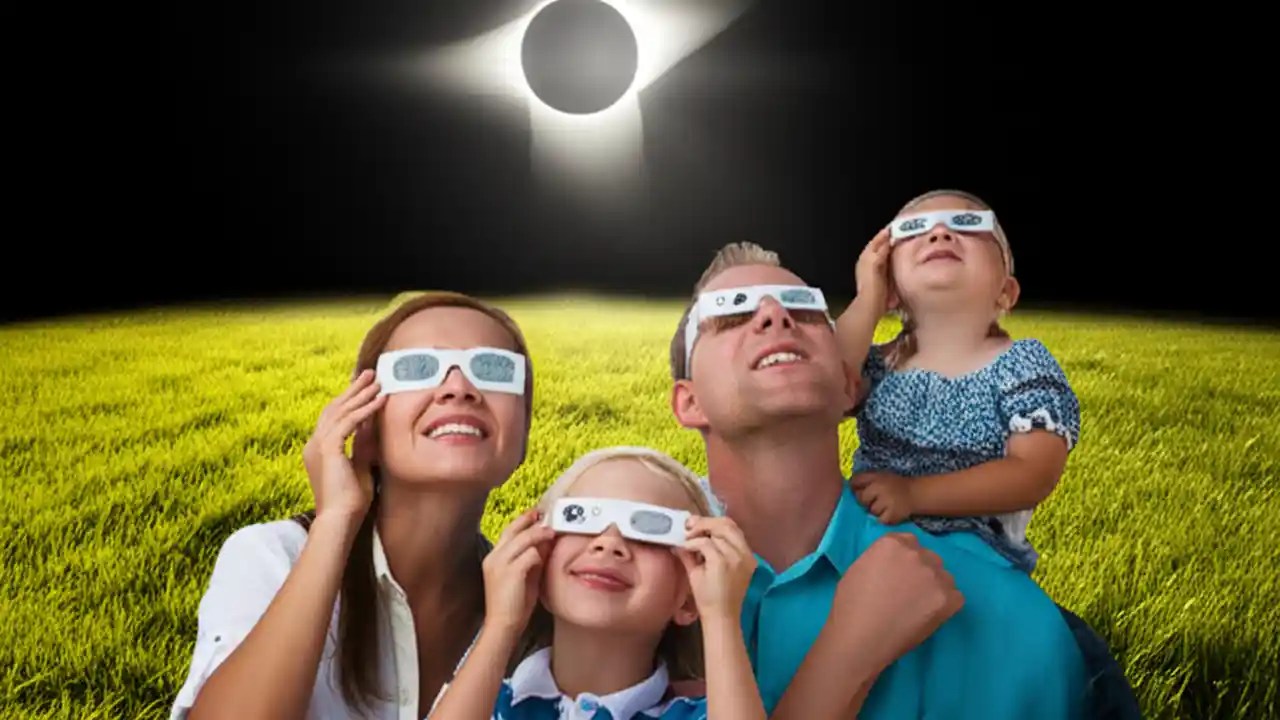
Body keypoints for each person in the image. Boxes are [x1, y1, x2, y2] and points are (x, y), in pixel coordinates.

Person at [666, 238, 1137, 719]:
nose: (775, 316)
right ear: (689, 401)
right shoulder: (638, 579)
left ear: (849, 385)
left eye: (805, 310)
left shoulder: (999, 610)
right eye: (729, 315)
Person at [170, 290, 536, 720]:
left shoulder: (531, 604)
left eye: (493, 369)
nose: (459, 388)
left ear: (523, 432)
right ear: (365, 420)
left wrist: (501, 630)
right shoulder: (274, 556)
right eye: (417, 368)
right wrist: (335, 520)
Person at [429, 445, 767, 720]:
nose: (609, 543)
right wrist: (501, 624)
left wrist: (721, 618)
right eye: (582, 518)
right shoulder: (483, 699)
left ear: (689, 598)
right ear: (538, 558)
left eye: (650, 529)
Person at [835, 188, 1074, 574]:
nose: (940, 233)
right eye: (915, 229)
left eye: (968, 224)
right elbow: (825, 391)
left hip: (973, 554)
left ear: (1005, 292)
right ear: (892, 288)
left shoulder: (1020, 366)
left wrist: (913, 494)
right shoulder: (881, 364)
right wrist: (869, 299)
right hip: (863, 534)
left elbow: (1033, 473)